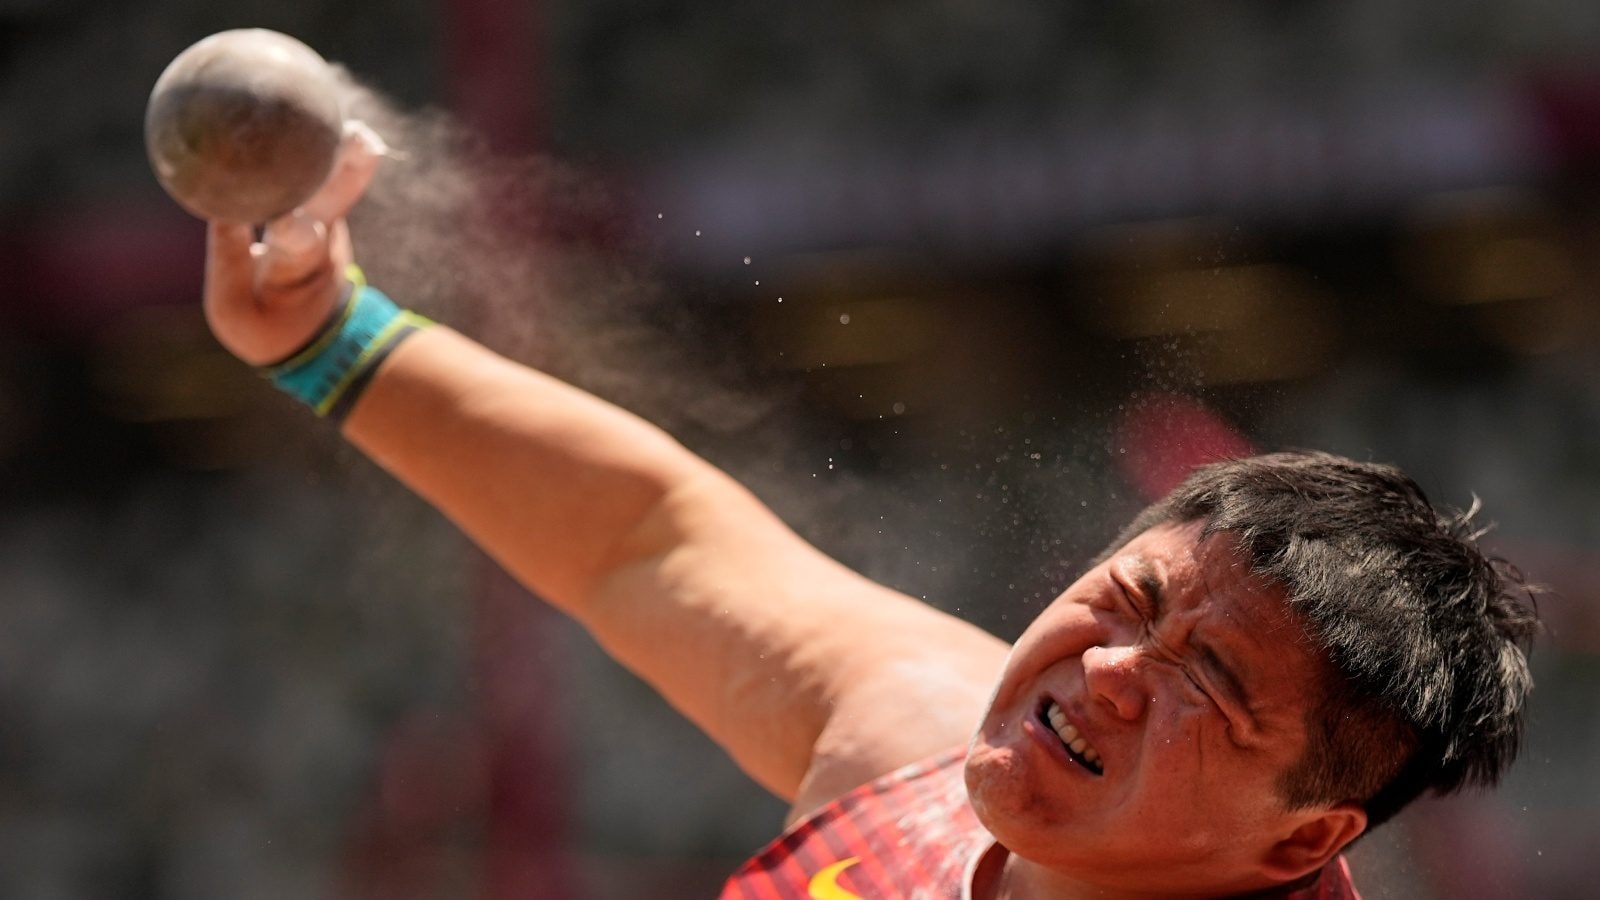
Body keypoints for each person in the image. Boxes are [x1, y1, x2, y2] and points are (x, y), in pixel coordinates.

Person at [202, 133, 1538, 899]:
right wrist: (328, 336)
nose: (1113, 671)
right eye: (1133, 601)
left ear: (1304, 839)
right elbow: (646, 535)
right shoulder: (909, 753)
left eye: (1210, 685)